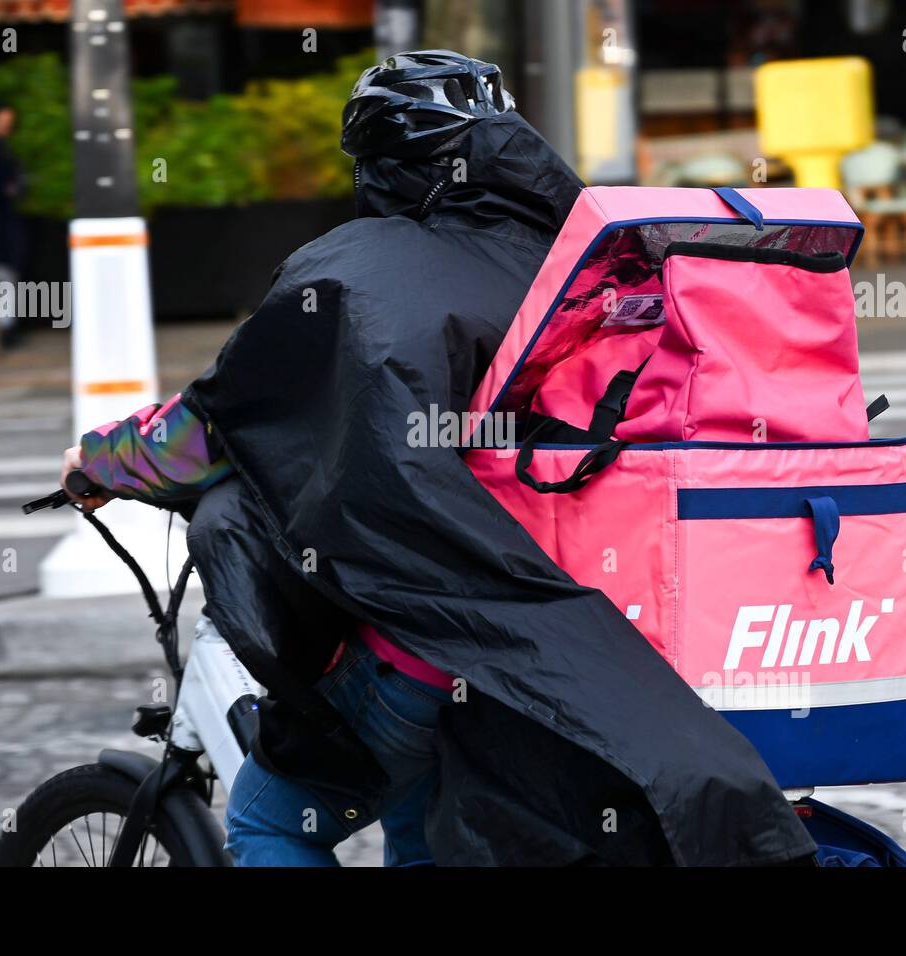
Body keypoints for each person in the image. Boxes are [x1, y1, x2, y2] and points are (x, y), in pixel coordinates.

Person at [63, 51, 815, 867]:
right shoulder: (574, 262)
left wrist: (97, 461)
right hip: (539, 632)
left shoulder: (356, 272)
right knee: (422, 830)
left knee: (273, 821)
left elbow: (221, 422)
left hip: (418, 631)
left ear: (382, 166)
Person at [0, 102, 29, 350]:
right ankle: (4, 327)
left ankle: (5, 325)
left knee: (4, 274)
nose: (5, 128)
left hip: (3, 219)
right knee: (2, 274)